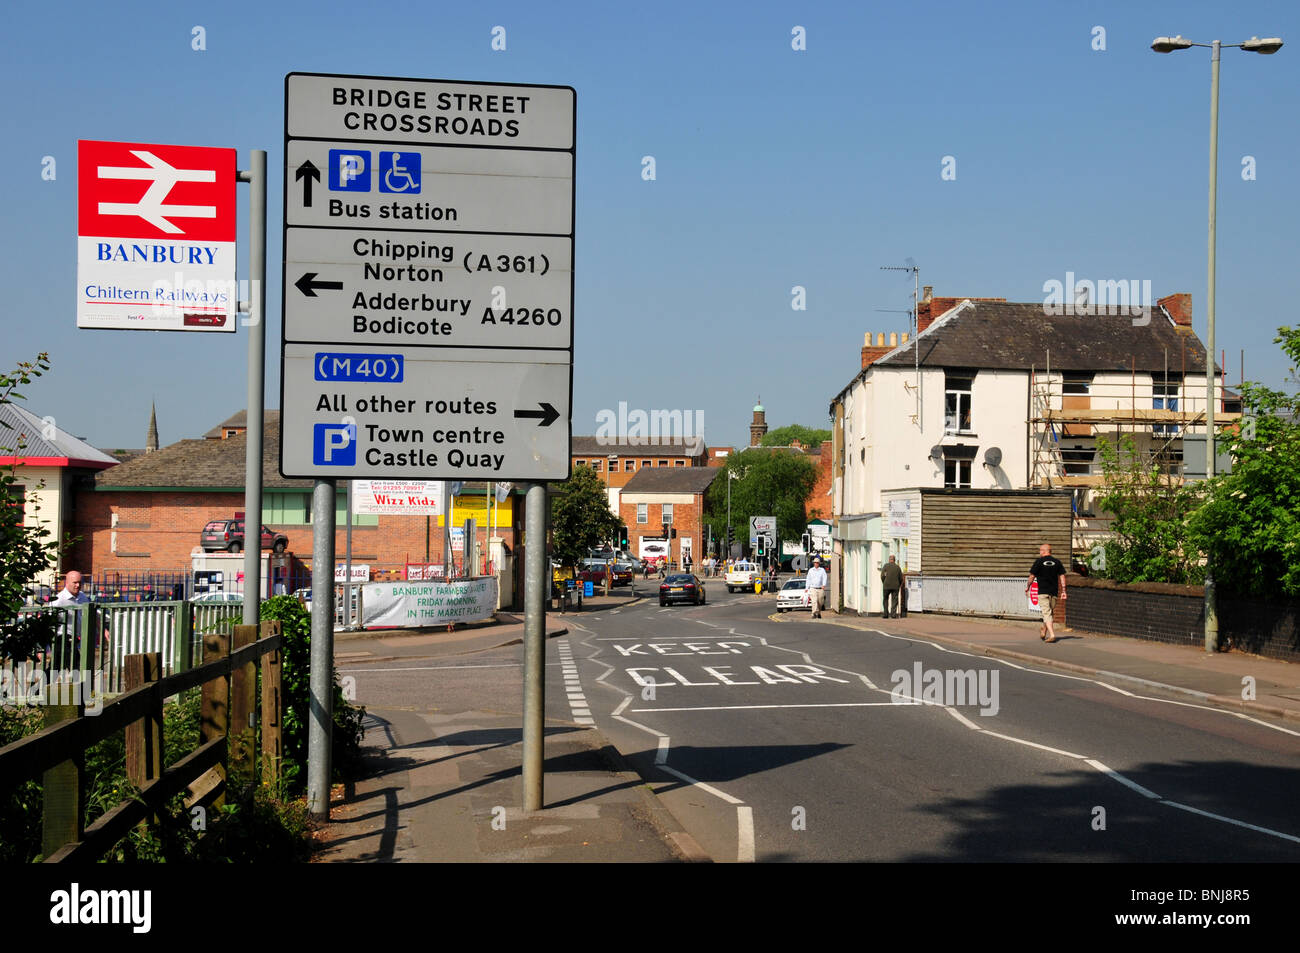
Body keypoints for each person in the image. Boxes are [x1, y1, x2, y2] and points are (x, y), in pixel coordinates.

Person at [1027, 543, 1068, 643]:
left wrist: (1028, 586)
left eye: (1040, 550)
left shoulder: (1039, 562)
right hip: (1053, 592)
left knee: (1048, 613)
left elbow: (1032, 576)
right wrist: (1063, 590)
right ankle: (1051, 633)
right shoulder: (1057, 562)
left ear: (1044, 551)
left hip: (1043, 591)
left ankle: (1047, 632)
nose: (1039, 552)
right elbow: (1062, 576)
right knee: (1048, 613)